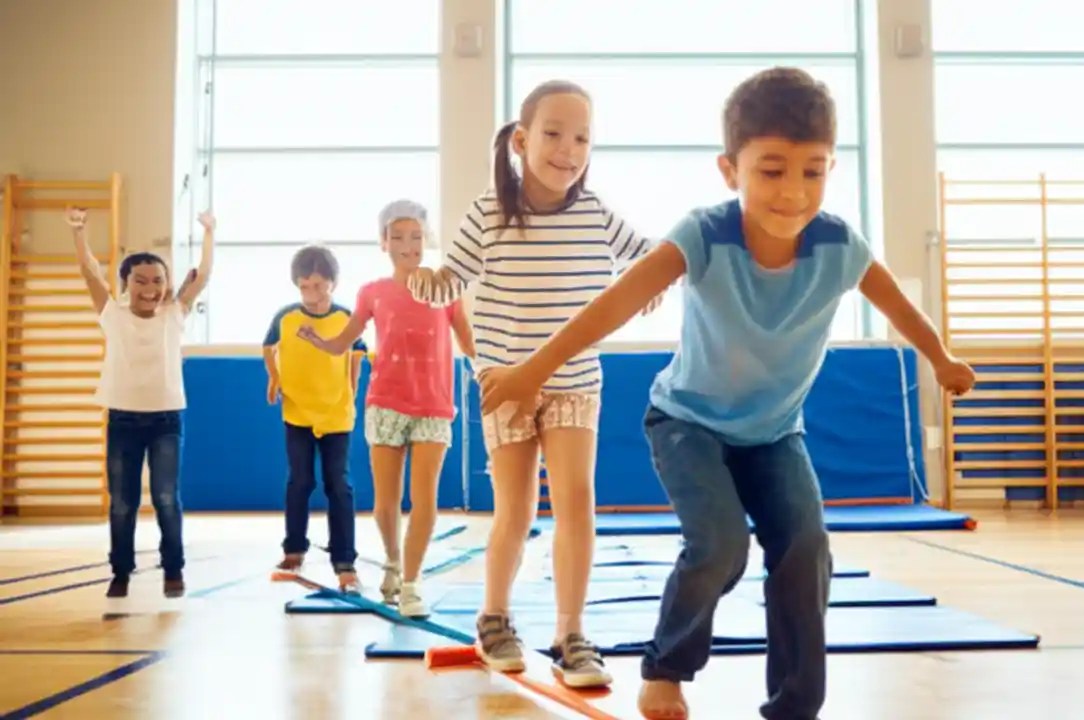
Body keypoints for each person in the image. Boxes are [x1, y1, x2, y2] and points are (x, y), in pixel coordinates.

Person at [475, 67, 977, 720]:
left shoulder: (837, 245)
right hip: (688, 424)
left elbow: (897, 304)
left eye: (813, 171)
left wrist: (940, 357)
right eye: (771, 170)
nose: (793, 192)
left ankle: (795, 704)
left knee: (806, 549)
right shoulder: (705, 234)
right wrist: (533, 370)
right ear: (729, 169)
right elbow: (614, 304)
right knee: (719, 545)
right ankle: (666, 667)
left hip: (775, 434)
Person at [411, 79, 659, 688]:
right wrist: (427, 284)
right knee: (516, 510)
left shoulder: (594, 213)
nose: (568, 150)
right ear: (522, 141)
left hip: (574, 382)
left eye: (582, 138)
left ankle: (571, 633)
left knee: (577, 501)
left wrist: (652, 280)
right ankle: (493, 617)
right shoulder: (490, 211)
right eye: (553, 134)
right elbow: (451, 280)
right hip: (506, 381)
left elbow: (649, 256)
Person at [298, 200, 474, 618]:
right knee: (385, 503)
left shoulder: (446, 290)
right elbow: (344, 342)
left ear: (426, 240)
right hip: (386, 404)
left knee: (425, 499)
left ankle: (411, 583)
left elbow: (469, 343)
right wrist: (318, 341)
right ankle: (393, 561)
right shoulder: (373, 292)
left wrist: (501, 365)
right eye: (398, 237)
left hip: (433, 406)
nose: (408, 245)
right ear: (384, 243)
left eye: (416, 237)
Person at [70, 206, 217, 599]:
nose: (150, 288)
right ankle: (121, 571)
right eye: (140, 281)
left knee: (167, 498)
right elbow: (89, 272)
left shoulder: (174, 314)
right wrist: (78, 230)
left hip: (166, 420)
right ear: (126, 284)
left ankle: (173, 568)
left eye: (157, 280)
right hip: (123, 419)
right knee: (122, 502)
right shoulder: (112, 314)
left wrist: (209, 232)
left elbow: (203, 275)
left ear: (167, 284)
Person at [264, 244, 366, 592]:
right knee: (300, 481)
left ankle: (345, 561)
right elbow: (268, 346)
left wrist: (352, 390)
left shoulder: (345, 318)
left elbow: (358, 354)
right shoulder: (286, 317)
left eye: (318, 286)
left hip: (336, 414)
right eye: (304, 286)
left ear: (333, 283)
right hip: (298, 413)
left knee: (339, 484)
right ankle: (293, 550)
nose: (311, 293)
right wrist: (274, 378)